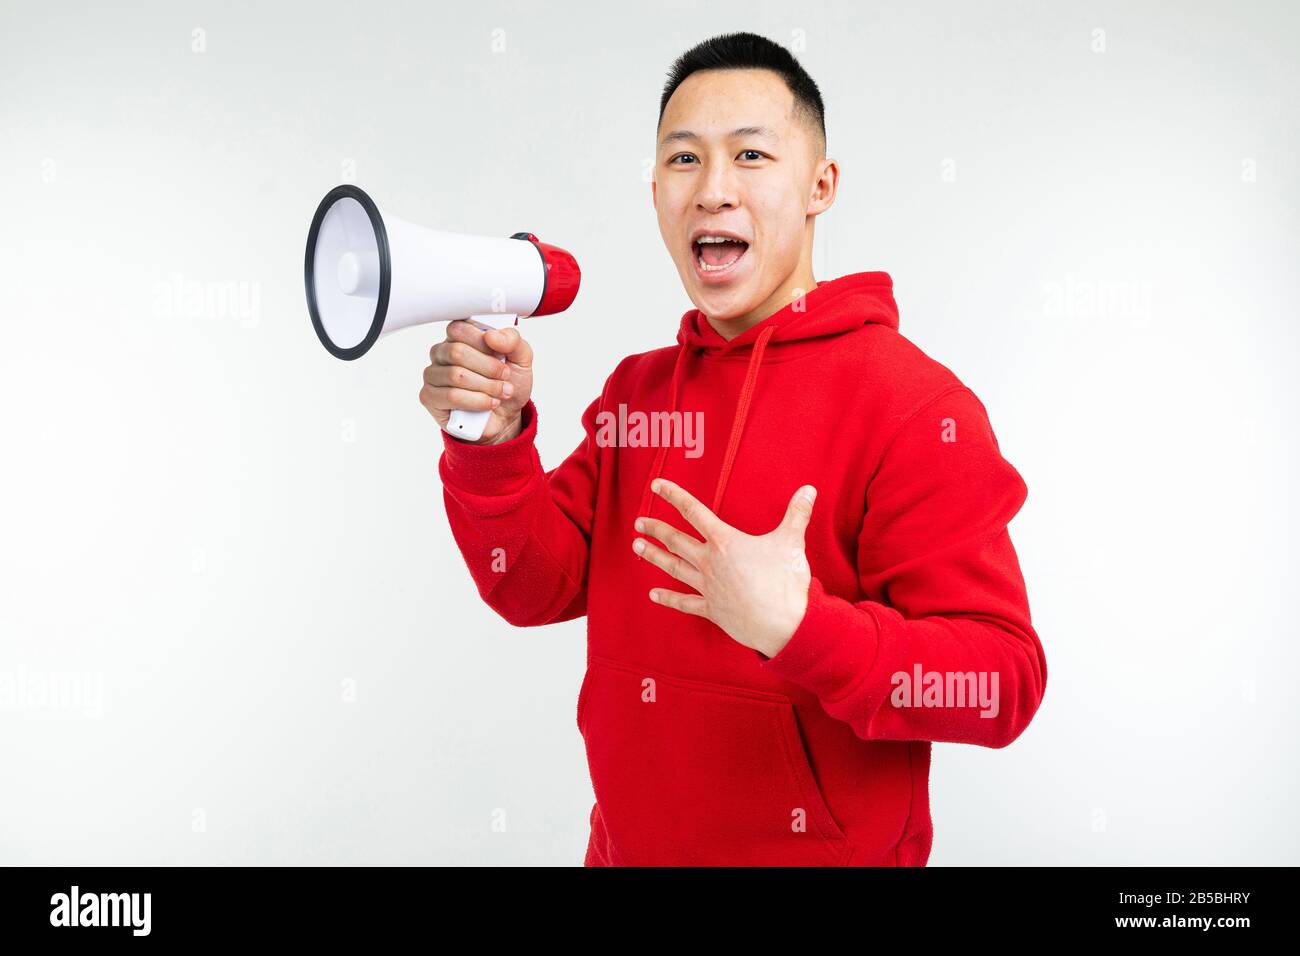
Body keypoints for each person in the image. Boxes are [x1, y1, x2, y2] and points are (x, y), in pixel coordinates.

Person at [420, 31, 1047, 866]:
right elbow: (532, 586)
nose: (713, 190)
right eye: (684, 161)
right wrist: (492, 442)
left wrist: (799, 627)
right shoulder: (637, 396)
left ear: (821, 185)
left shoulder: (913, 406)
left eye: (751, 154)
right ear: (654, 191)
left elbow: (999, 685)